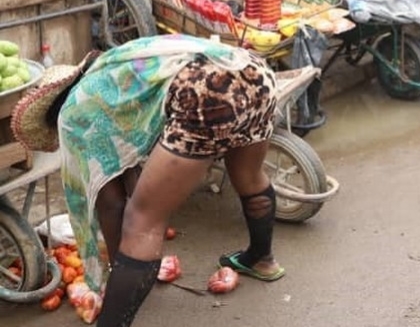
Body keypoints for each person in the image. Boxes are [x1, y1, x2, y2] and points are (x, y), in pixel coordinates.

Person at [10, 35, 290, 326]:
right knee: (249, 176)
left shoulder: (74, 114)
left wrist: (120, 268)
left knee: (142, 224)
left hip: (203, 91)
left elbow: (111, 203)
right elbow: (125, 165)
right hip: (252, 71)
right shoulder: (114, 71)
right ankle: (261, 259)